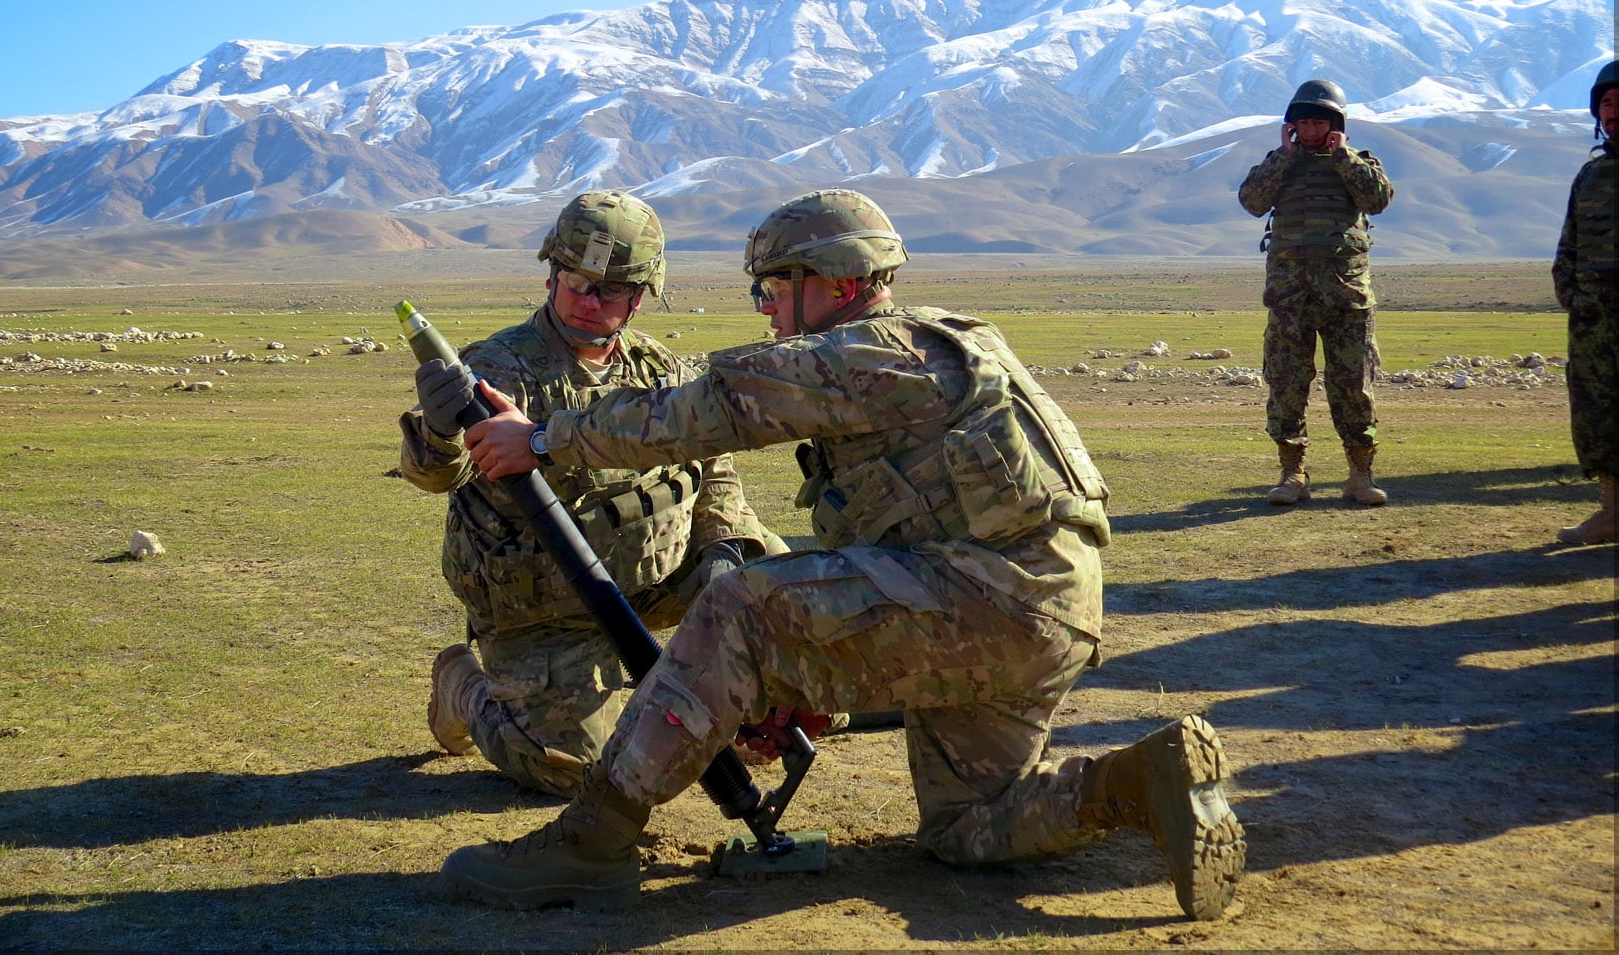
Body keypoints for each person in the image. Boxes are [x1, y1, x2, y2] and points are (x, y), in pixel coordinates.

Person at [434, 188, 1246, 921]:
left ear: (838, 284)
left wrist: (543, 437)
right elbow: (894, 531)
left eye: (773, 289)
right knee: (969, 827)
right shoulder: (948, 346)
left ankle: (591, 844)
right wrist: (811, 671)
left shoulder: (871, 351)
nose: (766, 311)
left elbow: (717, 410)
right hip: (1030, 615)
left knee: (741, 606)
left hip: (986, 601)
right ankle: (1140, 785)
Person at [400, 189, 787, 798]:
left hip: (653, 581)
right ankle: (465, 687)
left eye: (609, 289)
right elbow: (439, 476)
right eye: (575, 281)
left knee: (783, 580)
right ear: (552, 275)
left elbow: (713, 469)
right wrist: (439, 432)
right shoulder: (500, 370)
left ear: (640, 295)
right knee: (581, 772)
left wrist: (724, 549)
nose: (587, 300)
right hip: (544, 608)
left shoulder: (657, 370)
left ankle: (761, 709)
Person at [1239, 78, 1396, 506]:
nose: (1310, 130)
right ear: (1291, 127)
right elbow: (1251, 201)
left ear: (1336, 124)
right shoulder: (1279, 164)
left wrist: (1343, 156)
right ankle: (1293, 474)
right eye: (1302, 123)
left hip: (1347, 299)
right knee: (1287, 386)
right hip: (1291, 300)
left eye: (1319, 122)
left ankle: (1360, 476)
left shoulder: (1358, 162)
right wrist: (1283, 157)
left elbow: (1378, 198)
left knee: (1352, 388)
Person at [1551, 60, 1619, 545]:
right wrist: (1571, 294)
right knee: (1597, 411)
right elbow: (1569, 243)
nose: (1614, 111)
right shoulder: (1591, 176)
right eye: (1608, 103)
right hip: (1594, 314)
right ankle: (1613, 510)